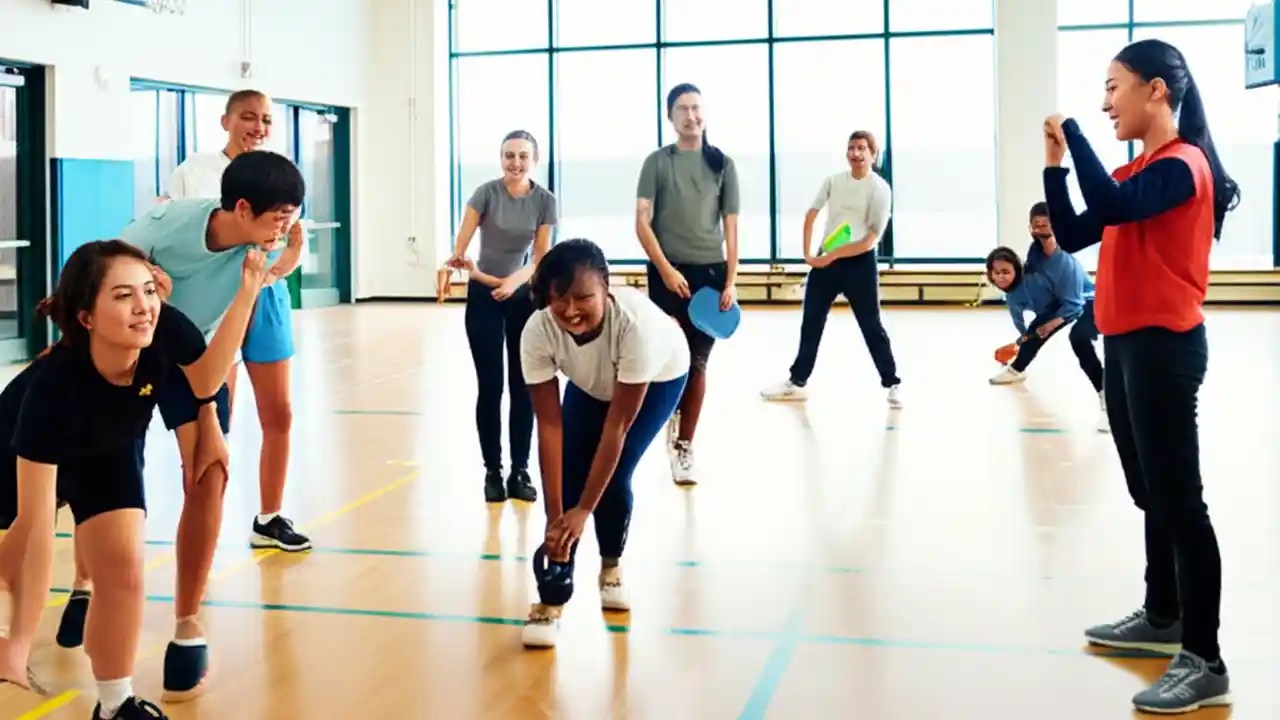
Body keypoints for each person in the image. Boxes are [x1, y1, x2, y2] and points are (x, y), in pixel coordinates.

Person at [55, 149, 306, 703]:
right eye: (278, 216)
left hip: (198, 354)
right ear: (241, 207)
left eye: (291, 216)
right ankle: (84, 581)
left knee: (210, 471)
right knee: (108, 467)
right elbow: (103, 270)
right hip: (134, 347)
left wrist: (212, 414)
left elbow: (218, 346)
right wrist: (144, 276)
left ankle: (187, 623)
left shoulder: (256, 253)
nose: (285, 227)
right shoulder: (165, 226)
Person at [1042, 38, 1238, 714]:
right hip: (1125, 346)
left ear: (1157, 90)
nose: (1104, 103)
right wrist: (1053, 167)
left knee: (1180, 501)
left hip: (1164, 348)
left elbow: (1117, 208)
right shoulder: (1137, 171)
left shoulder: (1184, 166)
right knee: (1150, 492)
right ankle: (1162, 616)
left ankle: (1204, 657)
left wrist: (1071, 130)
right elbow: (1070, 232)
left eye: (1113, 87)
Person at [0, 239, 267, 719]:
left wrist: (248, 291)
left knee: (124, 571)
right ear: (86, 317)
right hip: (19, 452)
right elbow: (36, 528)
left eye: (148, 290)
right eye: (124, 296)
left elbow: (205, 381)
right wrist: (18, 644)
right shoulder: (51, 389)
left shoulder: (162, 325)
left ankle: (115, 703)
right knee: (11, 555)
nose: (144, 307)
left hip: (107, 447)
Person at [516, 239, 689, 648]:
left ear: (606, 290)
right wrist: (557, 519)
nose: (571, 310)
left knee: (612, 474)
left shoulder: (634, 327)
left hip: (659, 375)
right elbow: (549, 428)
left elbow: (617, 428)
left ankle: (611, 567)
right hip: (590, 381)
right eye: (559, 300)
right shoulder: (537, 331)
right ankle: (553, 594)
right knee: (573, 469)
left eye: (583, 298)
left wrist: (585, 510)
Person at [162, 88, 310, 554]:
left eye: (266, 120)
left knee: (279, 412)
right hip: (215, 304)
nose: (259, 127)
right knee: (216, 413)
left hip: (263, 298)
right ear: (226, 120)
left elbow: (294, 238)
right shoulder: (195, 172)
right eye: (249, 117)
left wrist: (275, 274)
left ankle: (269, 516)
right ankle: (208, 508)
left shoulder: (280, 174)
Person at [635, 82, 739, 486]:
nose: (690, 115)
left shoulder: (724, 165)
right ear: (670, 116)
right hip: (666, 273)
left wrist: (731, 279)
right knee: (664, 358)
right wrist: (664, 269)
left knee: (697, 362)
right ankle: (663, 418)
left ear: (705, 113)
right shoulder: (656, 163)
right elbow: (642, 222)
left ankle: (684, 446)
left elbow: (731, 227)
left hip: (710, 278)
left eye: (696, 107)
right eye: (682, 109)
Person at [446, 130, 555, 503]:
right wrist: (460, 259)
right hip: (483, 295)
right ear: (500, 158)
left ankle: (519, 470)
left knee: (523, 387)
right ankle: (492, 470)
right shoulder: (485, 193)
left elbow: (541, 260)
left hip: (522, 296)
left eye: (523, 156)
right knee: (490, 387)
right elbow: (462, 242)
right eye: (509, 155)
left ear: (534, 160)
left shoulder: (545, 201)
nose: (515, 162)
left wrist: (512, 282)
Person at [759, 130, 902, 407]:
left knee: (871, 324)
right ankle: (797, 381)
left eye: (862, 148)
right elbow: (811, 213)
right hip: (827, 260)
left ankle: (892, 382)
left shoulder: (880, 189)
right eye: (851, 148)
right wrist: (809, 254)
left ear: (873, 154)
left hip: (859, 263)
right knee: (811, 321)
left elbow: (871, 238)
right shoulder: (834, 181)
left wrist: (830, 256)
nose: (856, 153)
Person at [984, 206, 1108, 432]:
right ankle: (1017, 369)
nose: (1041, 229)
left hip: (1089, 300)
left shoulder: (1065, 263)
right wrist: (1026, 335)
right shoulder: (1035, 253)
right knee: (1035, 330)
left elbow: (1074, 305)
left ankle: (1106, 398)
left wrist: (1050, 324)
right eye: (1037, 225)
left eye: (1046, 224)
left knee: (1079, 339)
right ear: (1030, 228)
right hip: (1061, 302)